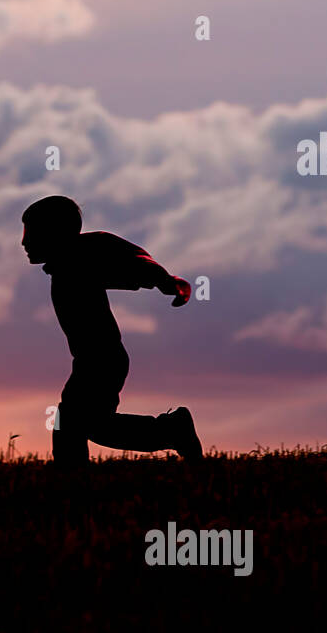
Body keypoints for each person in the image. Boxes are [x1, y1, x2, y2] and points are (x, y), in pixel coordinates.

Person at [21, 195, 202, 466]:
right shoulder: (69, 263)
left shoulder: (80, 258)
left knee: (75, 420)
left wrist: (163, 280)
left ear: (54, 233)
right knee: (87, 423)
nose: (24, 242)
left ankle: (170, 431)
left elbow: (130, 260)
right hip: (93, 359)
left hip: (101, 360)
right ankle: (170, 431)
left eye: (31, 232)